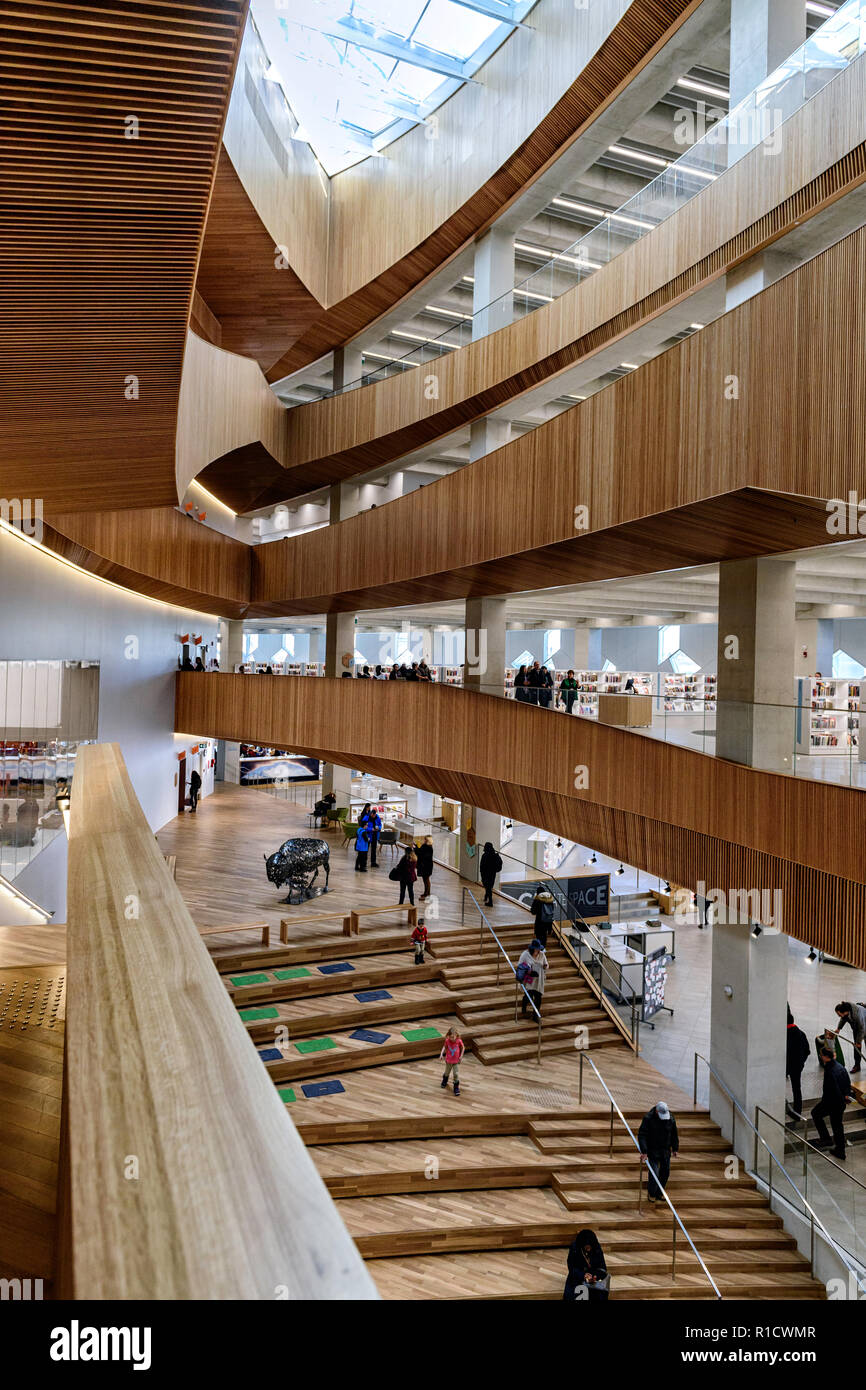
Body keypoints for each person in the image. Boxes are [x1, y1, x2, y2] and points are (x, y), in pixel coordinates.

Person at [811, 1047, 854, 1160]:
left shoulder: (830, 1071)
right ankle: (838, 1148)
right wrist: (846, 1096)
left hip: (832, 1103)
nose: (821, 1057)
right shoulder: (840, 1067)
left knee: (816, 1113)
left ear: (825, 1057)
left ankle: (828, 1141)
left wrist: (827, 1102)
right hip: (840, 1103)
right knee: (838, 1126)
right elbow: (847, 1083)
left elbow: (831, 1090)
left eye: (821, 1055)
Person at [637, 1102, 679, 1202]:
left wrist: (675, 1148)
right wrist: (644, 1151)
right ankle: (651, 1193)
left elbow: (674, 1134)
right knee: (654, 1172)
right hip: (653, 1150)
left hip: (665, 1150)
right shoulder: (648, 1118)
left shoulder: (670, 1118)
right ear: (656, 1111)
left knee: (665, 1172)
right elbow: (642, 1135)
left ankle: (659, 1193)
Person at [563, 1229, 609, 1302]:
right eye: (587, 1246)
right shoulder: (575, 1248)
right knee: (575, 1293)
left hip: (594, 1277)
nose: (589, 1248)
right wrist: (583, 1275)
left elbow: (602, 1267)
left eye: (590, 1246)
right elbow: (572, 1268)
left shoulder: (597, 1247)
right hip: (578, 1276)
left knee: (600, 1293)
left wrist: (595, 1276)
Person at [786, 1008, 810, 1120]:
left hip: (785, 1067)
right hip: (797, 1067)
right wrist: (801, 1062)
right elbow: (807, 1051)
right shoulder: (801, 1033)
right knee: (797, 1089)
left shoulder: (783, 1035)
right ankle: (797, 1112)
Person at [517, 940, 548, 1019]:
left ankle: (535, 1015)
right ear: (532, 949)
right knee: (528, 996)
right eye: (536, 949)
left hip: (539, 979)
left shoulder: (542, 955)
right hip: (529, 978)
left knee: (538, 997)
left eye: (539, 949)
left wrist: (545, 966)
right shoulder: (525, 954)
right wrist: (528, 970)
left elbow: (546, 965)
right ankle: (524, 1005)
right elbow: (520, 965)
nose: (538, 951)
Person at [834, 1001, 866, 1073]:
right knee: (857, 1048)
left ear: (845, 1012)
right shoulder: (846, 1012)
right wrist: (839, 1028)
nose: (839, 1016)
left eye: (839, 1014)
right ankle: (857, 1066)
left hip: (863, 1026)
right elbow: (843, 1019)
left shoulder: (858, 1015)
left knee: (858, 1044)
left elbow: (862, 1028)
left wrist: (859, 1042)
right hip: (857, 1028)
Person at [439, 1027, 464, 1096]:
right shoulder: (447, 1041)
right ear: (448, 1036)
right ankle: (444, 1081)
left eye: (453, 1037)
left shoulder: (459, 1041)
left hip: (456, 1061)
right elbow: (444, 1047)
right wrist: (441, 1054)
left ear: (456, 1035)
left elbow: (463, 1047)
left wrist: (461, 1055)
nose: (452, 1039)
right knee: (447, 1073)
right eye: (450, 1037)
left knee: (456, 1074)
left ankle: (456, 1087)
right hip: (448, 1061)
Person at [479, 841, 502, 906]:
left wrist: (482, 874)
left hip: (485, 874)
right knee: (489, 886)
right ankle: (486, 897)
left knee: (487, 887)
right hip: (492, 874)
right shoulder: (494, 855)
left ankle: (490, 902)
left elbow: (482, 866)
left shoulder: (485, 855)